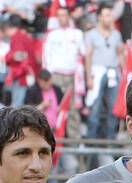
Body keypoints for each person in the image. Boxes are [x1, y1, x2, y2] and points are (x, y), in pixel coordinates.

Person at [84, 5, 127, 143]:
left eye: (110, 15)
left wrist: (124, 72)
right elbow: (88, 56)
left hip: (113, 72)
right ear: (99, 17)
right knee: (95, 108)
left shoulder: (116, 34)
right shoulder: (92, 34)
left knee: (113, 108)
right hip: (97, 71)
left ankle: (110, 140)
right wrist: (88, 76)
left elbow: (120, 54)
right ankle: (91, 141)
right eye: (107, 15)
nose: (110, 18)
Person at [43, 6, 86, 140]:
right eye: (59, 15)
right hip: (56, 75)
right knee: (55, 107)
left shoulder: (77, 33)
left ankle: (74, 140)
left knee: (73, 109)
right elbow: (46, 54)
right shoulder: (52, 34)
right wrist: (48, 75)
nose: (62, 18)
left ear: (69, 16)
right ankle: (53, 138)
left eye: (64, 15)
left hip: (72, 75)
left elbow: (83, 52)